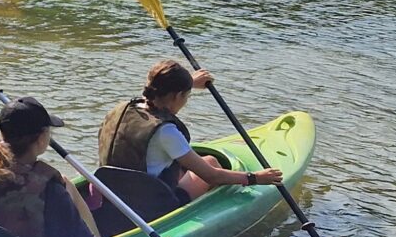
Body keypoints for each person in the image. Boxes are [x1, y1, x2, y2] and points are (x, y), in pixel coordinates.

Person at [0, 97, 187, 237]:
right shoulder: (49, 188)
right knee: (65, 185)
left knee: (67, 181)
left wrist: (0, 142)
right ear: (42, 138)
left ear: (2, 134)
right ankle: (100, 235)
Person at [99, 60, 283, 203]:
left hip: (108, 191)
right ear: (177, 95)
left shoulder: (123, 108)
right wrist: (255, 178)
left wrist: (189, 83)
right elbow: (211, 175)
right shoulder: (166, 132)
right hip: (146, 203)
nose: (185, 101)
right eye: (186, 96)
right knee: (211, 162)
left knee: (180, 166)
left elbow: (154, 93)